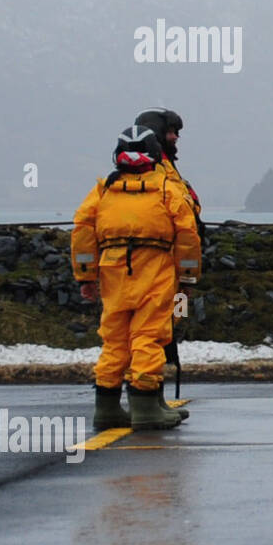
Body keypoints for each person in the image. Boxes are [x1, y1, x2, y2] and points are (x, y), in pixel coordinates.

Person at [71, 125, 202, 430]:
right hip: (154, 269)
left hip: (113, 270)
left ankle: (106, 408)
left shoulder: (104, 190)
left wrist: (86, 277)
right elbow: (187, 236)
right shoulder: (167, 189)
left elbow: (82, 231)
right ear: (155, 154)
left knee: (115, 339)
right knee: (148, 335)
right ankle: (145, 409)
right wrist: (188, 279)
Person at [135, 107, 203, 416]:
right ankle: (149, 398)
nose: (176, 137)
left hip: (176, 268)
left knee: (172, 324)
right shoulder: (155, 172)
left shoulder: (166, 168)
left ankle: (156, 395)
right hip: (166, 269)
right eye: (172, 132)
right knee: (157, 331)